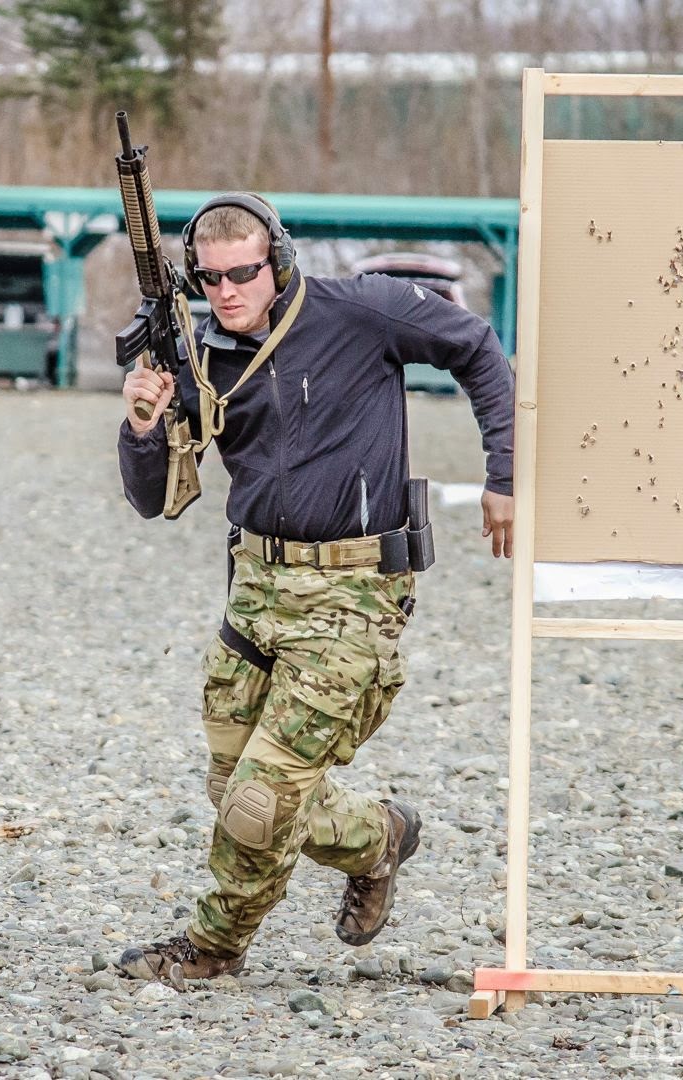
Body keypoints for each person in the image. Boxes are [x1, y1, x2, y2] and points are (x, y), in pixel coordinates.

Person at [114, 193, 515, 982]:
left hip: (353, 596)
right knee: (231, 787)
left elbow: (476, 347)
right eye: (212, 278)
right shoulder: (199, 357)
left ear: (280, 261)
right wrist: (141, 427)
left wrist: (505, 473)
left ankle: (213, 948)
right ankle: (380, 837)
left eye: (244, 273)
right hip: (255, 592)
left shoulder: (360, 311)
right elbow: (153, 498)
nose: (228, 291)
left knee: (261, 801)